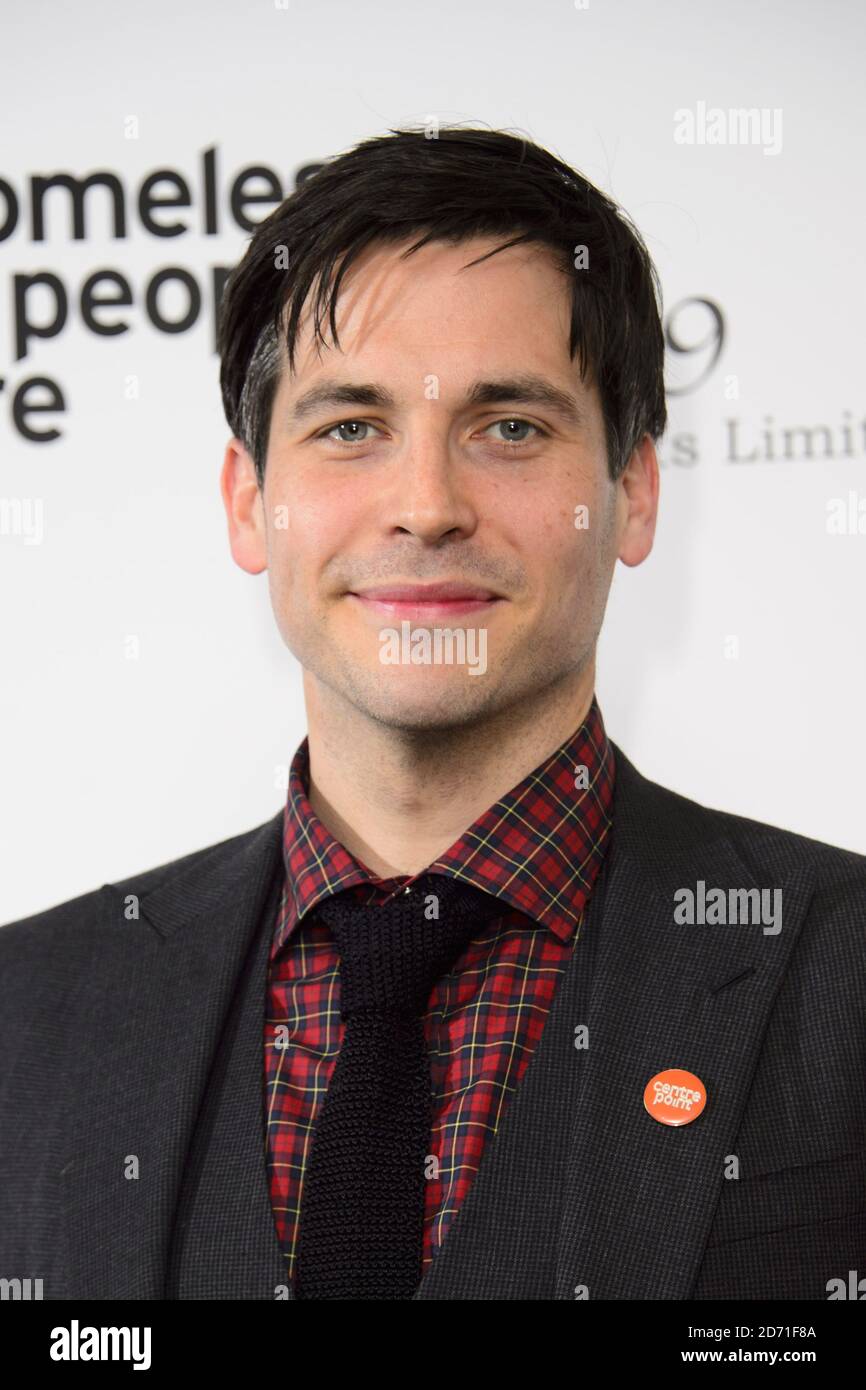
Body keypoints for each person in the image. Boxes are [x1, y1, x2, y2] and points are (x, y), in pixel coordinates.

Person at [1, 127, 864, 1301]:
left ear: (633, 490)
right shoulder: (29, 1013)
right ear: (249, 501)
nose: (425, 506)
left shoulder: (838, 965)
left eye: (508, 426)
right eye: (349, 427)